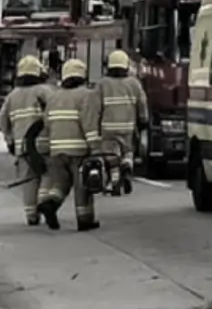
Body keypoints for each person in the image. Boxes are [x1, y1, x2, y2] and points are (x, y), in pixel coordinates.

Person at [38, 59, 103, 231]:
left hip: (57, 149)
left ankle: (50, 204)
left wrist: (44, 149)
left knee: (61, 183)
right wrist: (95, 148)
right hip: (78, 149)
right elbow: (89, 123)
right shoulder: (86, 95)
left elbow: (46, 124)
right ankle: (85, 219)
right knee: (83, 185)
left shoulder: (54, 97)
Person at [0, 55, 49, 225]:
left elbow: (3, 120)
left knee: (29, 180)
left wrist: (10, 138)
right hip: (46, 144)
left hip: (24, 147)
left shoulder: (12, 96)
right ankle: (45, 204)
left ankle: (31, 214)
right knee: (48, 175)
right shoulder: (46, 91)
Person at [98, 49, 149, 195]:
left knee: (111, 156)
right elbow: (142, 104)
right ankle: (127, 167)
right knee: (128, 151)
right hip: (128, 127)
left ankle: (115, 181)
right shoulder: (134, 83)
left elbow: (95, 107)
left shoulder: (103, 84)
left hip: (108, 128)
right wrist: (143, 121)